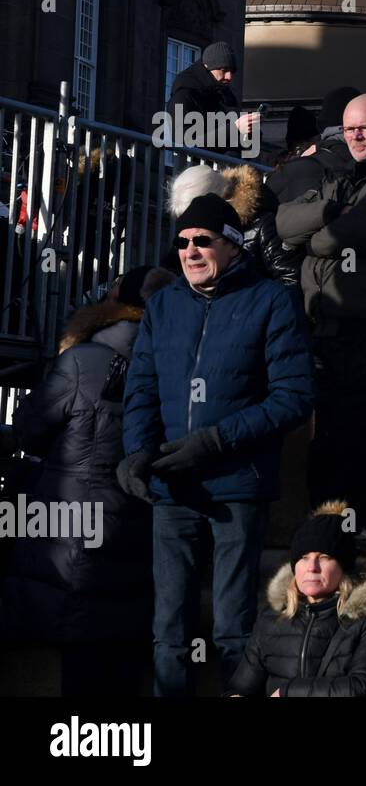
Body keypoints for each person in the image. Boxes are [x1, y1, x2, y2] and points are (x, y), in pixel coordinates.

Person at [118, 193, 314, 697]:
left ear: (231, 246)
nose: (190, 251)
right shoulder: (163, 304)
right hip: (172, 487)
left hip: (236, 488)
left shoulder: (271, 300)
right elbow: (140, 388)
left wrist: (215, 441)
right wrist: (138, 451)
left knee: (233, 627)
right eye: (182, 242)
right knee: (169, 627)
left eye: (202, 241)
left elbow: (293, 397)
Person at [1, 266, 173, 695]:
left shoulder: (81, 361)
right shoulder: (175, 366)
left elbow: (29, 431)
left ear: (114, 305)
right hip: (139, 534)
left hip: (69, 537)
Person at [275, 94, 366, 548]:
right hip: (326, 336)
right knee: (329, 446)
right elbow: (284, 224)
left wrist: (320, 235)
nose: (356, 136)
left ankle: (361, 545)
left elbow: (360, 230)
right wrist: (330, 214)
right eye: (350, 128)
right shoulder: (336, 177)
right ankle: (326, 541)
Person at [226, 501, 366, 697]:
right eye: (303, 557)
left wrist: (288, 692)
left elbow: (365, 687)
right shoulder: (271, 617)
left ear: (343, 567)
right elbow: (241, 687)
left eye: (324, 557)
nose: (312, 567)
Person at [166, 164, 299, 286]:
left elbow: (290, 279)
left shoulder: (261, 223)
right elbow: (173, 268)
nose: (190, 252)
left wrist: (256, 305)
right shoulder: (189, 237)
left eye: (197, 213)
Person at [164, 42, 260, 155]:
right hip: (196, 170)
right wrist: (235, 128)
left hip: (226, 169)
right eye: (223, 70)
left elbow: (242, 148)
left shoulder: (226, 96)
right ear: (207, 67)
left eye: (232, 71)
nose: (229, 77)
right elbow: (184, 143)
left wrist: (252, 131)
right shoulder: (184, 95)